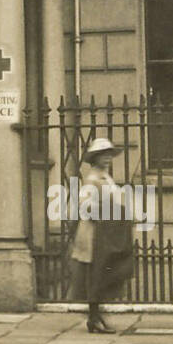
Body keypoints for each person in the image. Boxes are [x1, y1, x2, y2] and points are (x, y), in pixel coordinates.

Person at [67, 137, 135, 333]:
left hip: (106, 234)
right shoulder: (92, 179)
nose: (107, 159)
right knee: (95, 276)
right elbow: (85, 206)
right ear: (94, 158)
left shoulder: (105, 177)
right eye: (102, 155)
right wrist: (107, 213)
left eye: (109, 155)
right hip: (94, 234)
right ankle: (94, 318)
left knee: (103, 275)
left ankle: (95, 317)